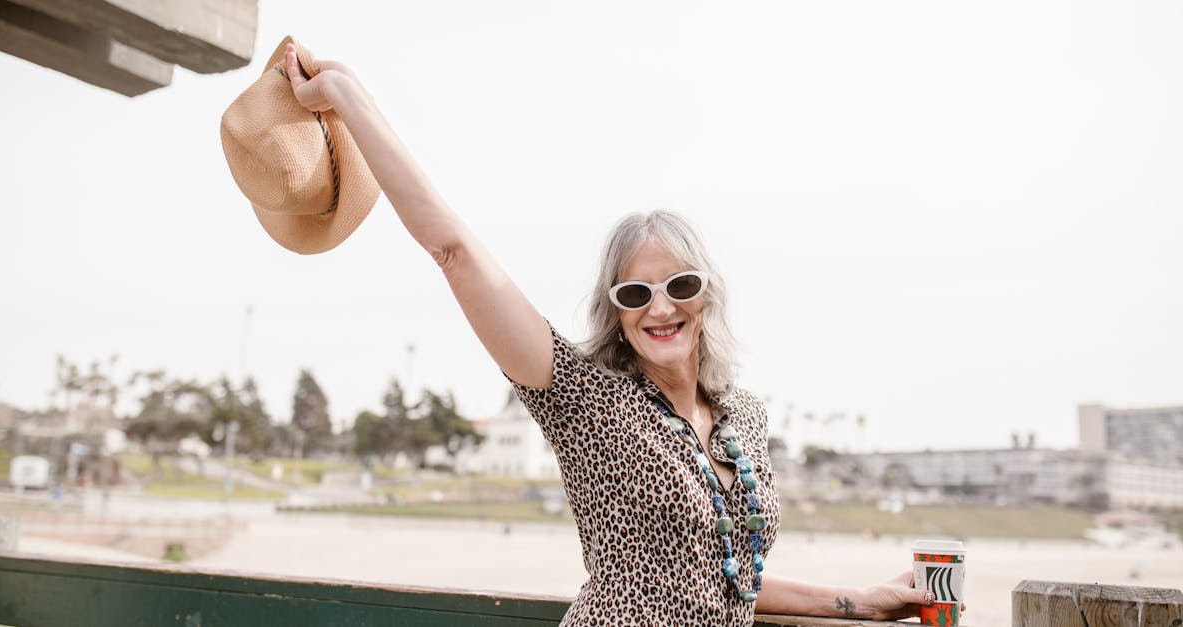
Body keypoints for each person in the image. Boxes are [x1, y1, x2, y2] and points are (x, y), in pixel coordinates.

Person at [281, 43, 943, 626]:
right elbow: (453, 248)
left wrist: (862, 602)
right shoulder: (585, 398)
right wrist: (345, 94)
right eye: (636, 292)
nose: (661, 306)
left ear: (707, 292)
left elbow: (727, 583)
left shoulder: (743, 416)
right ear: (617, 312)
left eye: (680, 285)